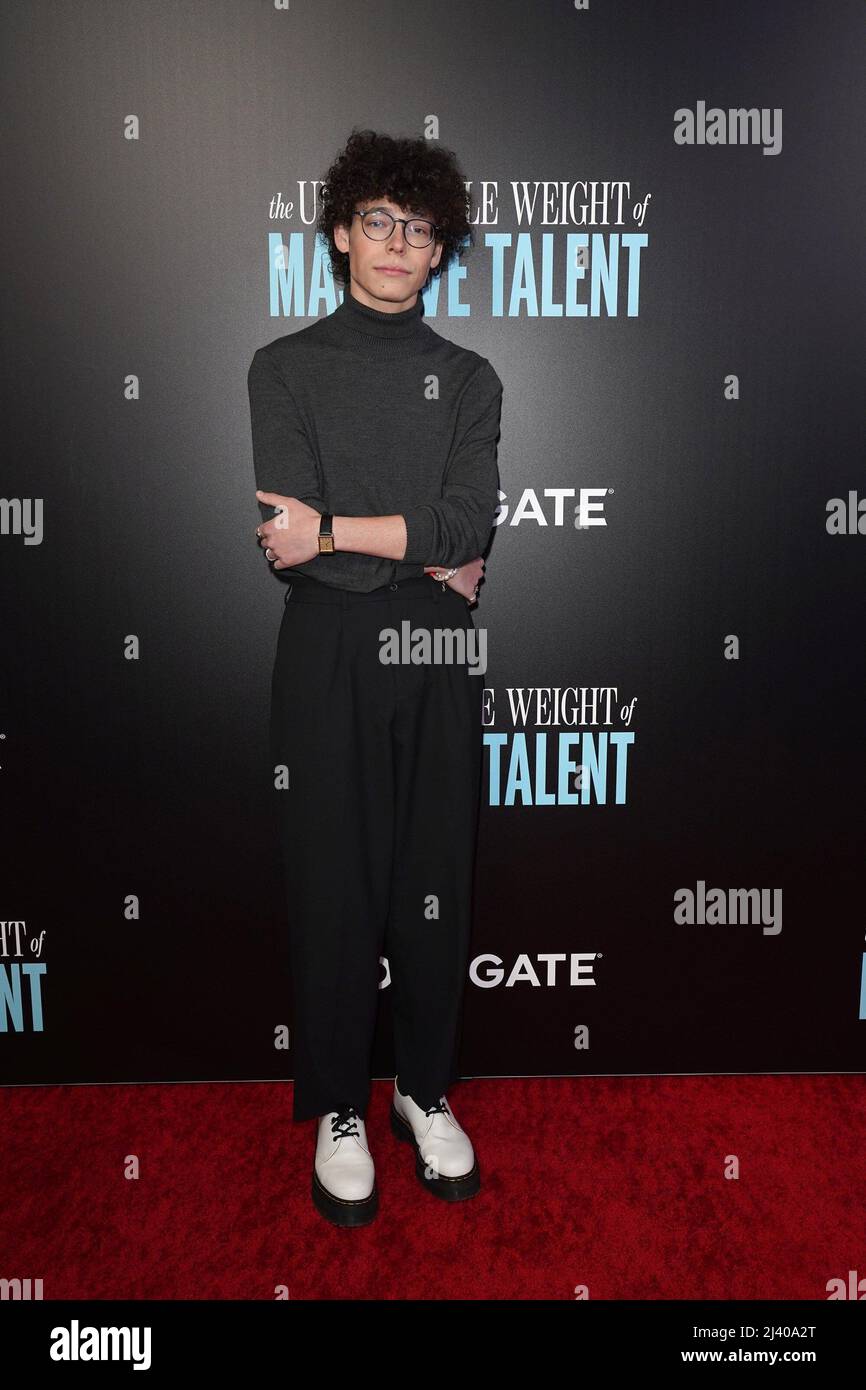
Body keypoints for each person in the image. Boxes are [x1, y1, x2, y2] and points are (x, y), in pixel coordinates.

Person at [247, 129, 503, 1227]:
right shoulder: (283, 367)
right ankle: (339, 1107)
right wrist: (420, 554)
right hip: (329, 647)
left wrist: (344, 533)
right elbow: (286, 538)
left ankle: (425, 1092)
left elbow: (466, 520)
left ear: (437, 246)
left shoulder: (471, 378)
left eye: (419, 227)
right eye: (378, 221)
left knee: (434, 873)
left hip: (438, 647)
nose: (398, 243)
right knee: (334, 882)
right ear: (342, 231)